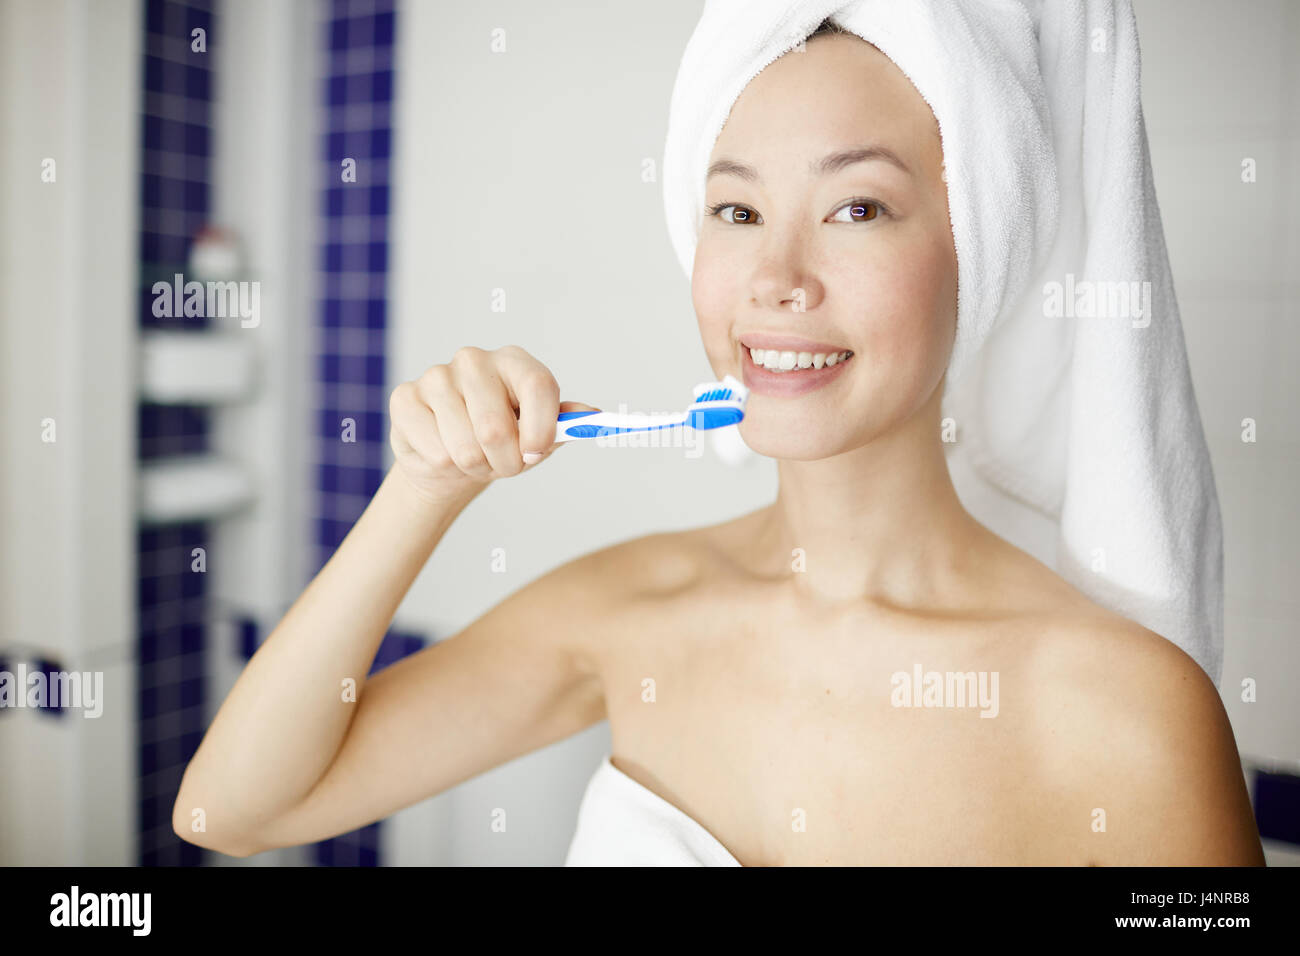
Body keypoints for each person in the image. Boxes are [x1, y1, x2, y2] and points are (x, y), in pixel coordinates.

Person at [173, 21, 1265, 866]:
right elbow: (232, 808)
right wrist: (422, 486)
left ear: (981, 245)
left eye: (859, 208)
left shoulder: (1128, 709)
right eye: (736, 213)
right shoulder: (627, 607)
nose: (776, 277)